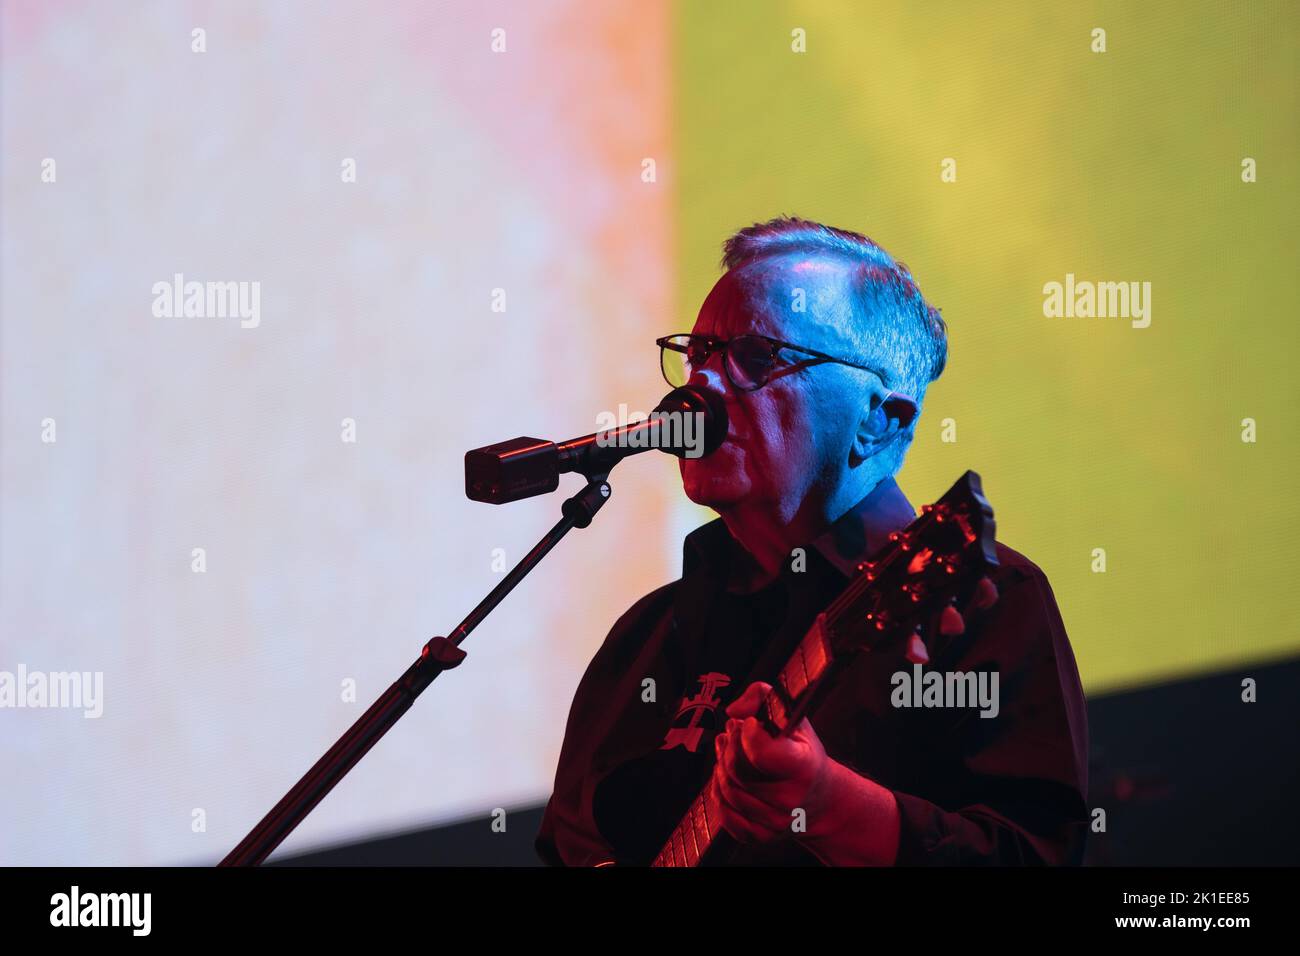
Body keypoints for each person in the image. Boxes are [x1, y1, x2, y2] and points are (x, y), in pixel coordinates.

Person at [536, 216, 1089, 866]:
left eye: (757, 356)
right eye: (699, 355)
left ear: (879, 421)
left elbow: (1035, 858)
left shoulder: (980, 596)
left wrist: (831, 806)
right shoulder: (646, 636)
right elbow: (569, 845)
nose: (701, 384)